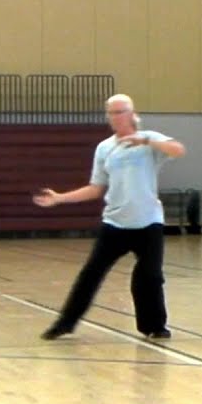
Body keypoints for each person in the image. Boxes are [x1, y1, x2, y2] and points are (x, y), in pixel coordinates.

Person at [34, 94, 185, 340]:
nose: (114, 117)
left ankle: (155, 326)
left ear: (131, 113)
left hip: (149, 222)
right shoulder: (104, 148)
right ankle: (65, 323)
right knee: (91, 274)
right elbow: (95, 188)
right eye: (111, 113)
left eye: (119, 112)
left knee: (150, 277)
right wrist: (59, 198)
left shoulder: (150, 140)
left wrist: (146, 140)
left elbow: (178, 150)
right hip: (115, 224)